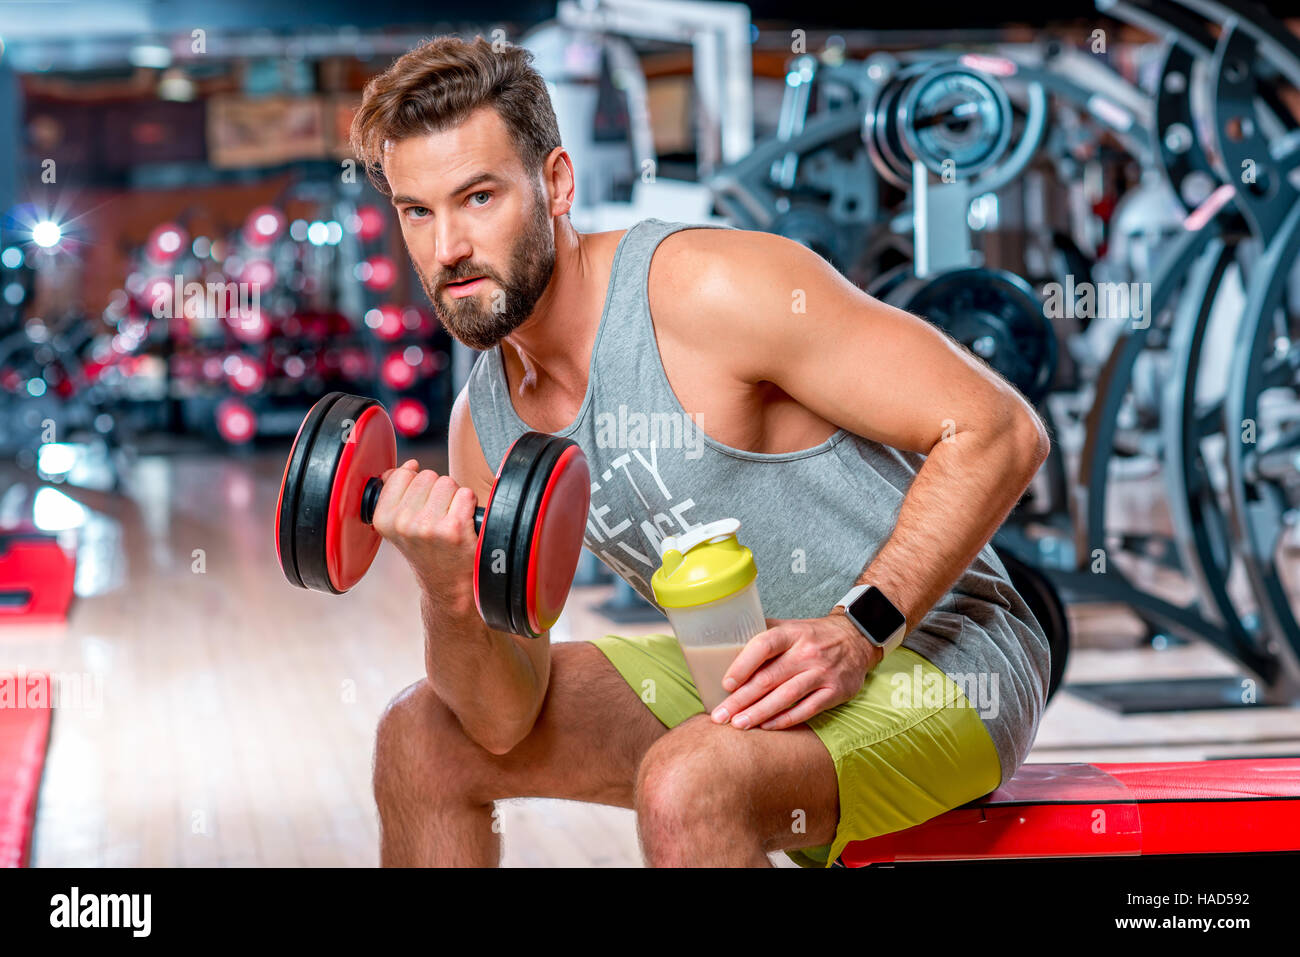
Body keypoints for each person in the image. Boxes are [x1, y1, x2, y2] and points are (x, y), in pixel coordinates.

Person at [351, 34, 1051, 868]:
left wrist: (857, 629)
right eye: (417, 212)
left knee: (688, 782)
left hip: (946, 655)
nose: (446, 250)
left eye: (477, 198)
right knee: (420, 738)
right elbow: (503, 718)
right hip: (739, 670)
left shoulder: (706, 290)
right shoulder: (487, 423)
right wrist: (445, 590)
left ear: (557, 184)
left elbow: (999, 429)